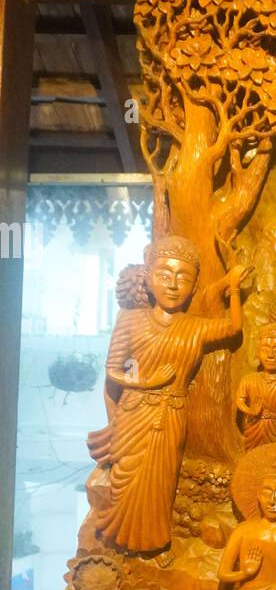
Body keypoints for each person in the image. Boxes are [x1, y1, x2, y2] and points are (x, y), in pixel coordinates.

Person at [87, 236, 246, 553]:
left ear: (194, 286)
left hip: (171, 414)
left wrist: (234, 288)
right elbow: (114, 370)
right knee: (127, 480)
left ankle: (153, 544)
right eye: (164, 275)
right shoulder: (131, 320)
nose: (173, 285)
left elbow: (232, 328)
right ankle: (119, 542)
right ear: (148, 277)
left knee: (159, 484)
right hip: (133, 415)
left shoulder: (195, 327)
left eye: (182, 277)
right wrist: (147, 381)